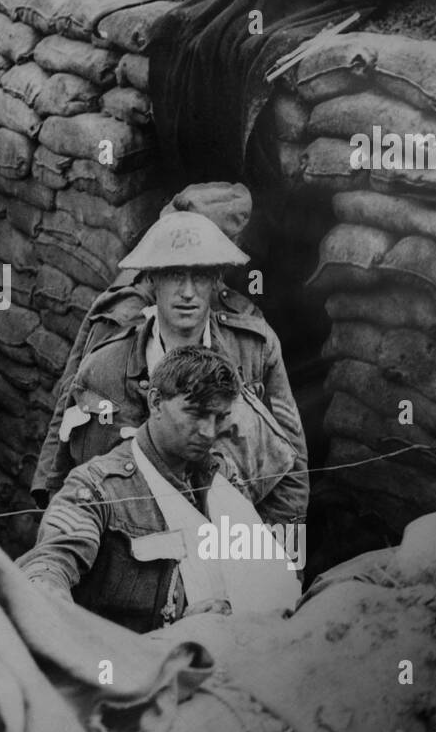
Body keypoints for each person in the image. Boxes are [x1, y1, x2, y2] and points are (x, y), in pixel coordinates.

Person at [38, 211, 309, 528]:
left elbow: (292, 466)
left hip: (227, 539)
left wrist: (276, 560)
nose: (188, 292)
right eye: (175, 275)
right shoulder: (106, 363)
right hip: (132, 545)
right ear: (152, 278)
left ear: (215, 280)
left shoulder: (254, 349)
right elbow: (63, 469)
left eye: (200, 276)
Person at [18, 346, 301, 633]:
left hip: (227, 654)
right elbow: (53, 560)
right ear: (155, 402)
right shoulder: (97, 488)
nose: (208, 431)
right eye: (195, 413)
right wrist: (45, 588)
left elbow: (259, 573)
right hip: (135, 665)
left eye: (219, 417)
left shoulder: (220, 478)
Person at [33, 182, 265, 500]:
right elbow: (73, 399)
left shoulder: (244, 326)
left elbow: (278, 444)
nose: (188, 287)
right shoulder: (122, 312)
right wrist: (48, 486)